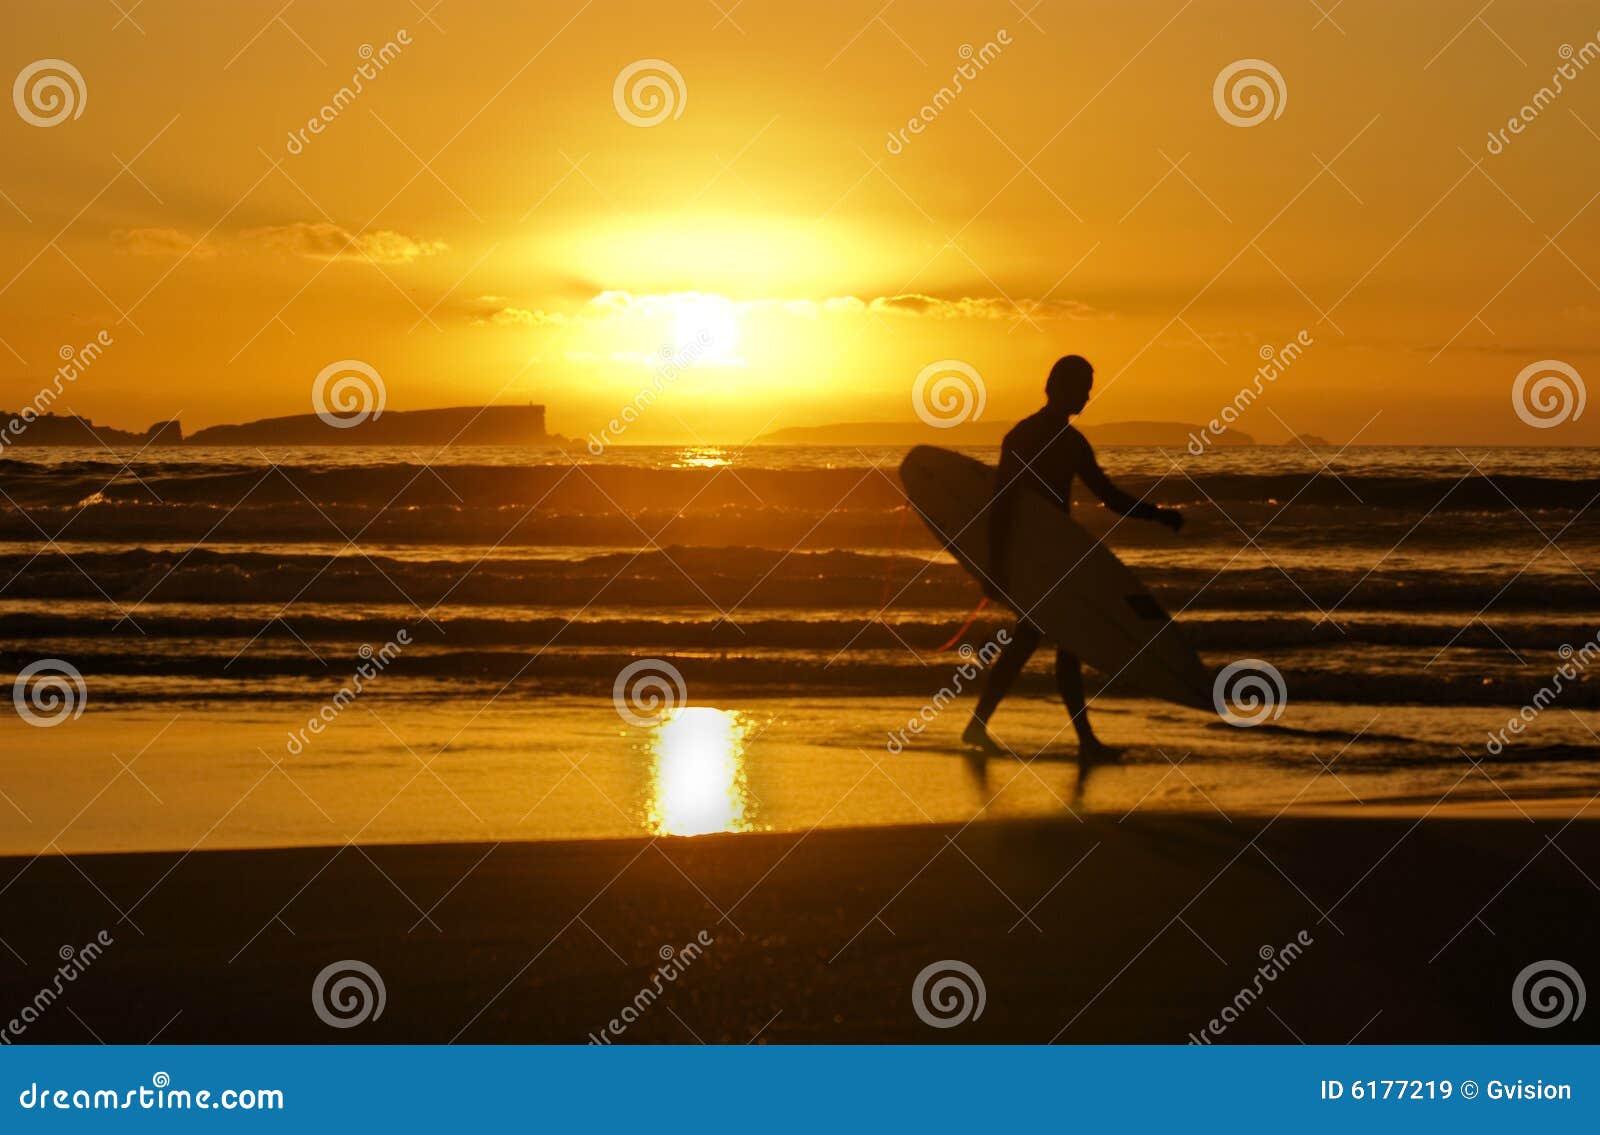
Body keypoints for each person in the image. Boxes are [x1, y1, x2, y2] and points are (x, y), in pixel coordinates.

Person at [962, 355, 1184, 758]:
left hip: (1058, 560)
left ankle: (984, 727)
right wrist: (994, 567)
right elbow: (1001, 503)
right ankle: (1080, 742)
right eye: (1080, 387)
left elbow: (1108, 495)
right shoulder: (1024, 437)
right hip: (1033, 558)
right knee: (1055, 642)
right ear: (1056, 387)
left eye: (1088, 388)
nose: (1086, 396)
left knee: (1039, 642)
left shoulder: (1071, 442)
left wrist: (1156, 515)